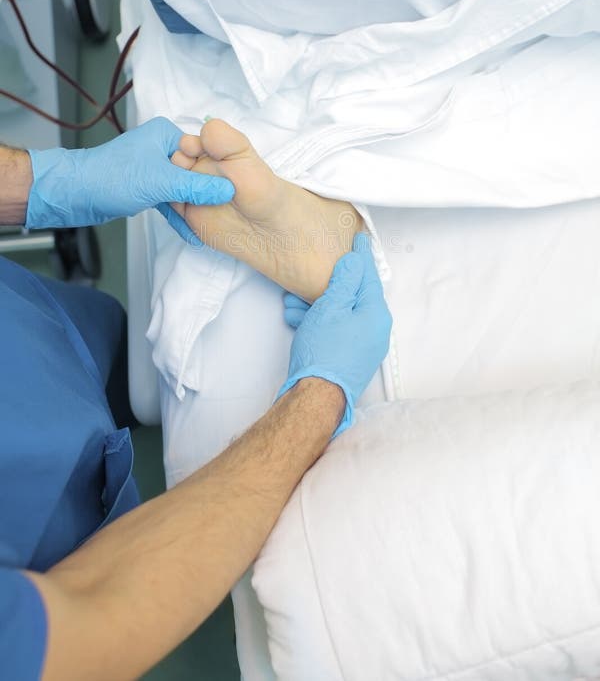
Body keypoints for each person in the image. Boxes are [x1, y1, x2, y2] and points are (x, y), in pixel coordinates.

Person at [0, 116, 391, 680]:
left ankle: (304, 243)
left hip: (30, 339)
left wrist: (41, 183)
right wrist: (318, 397)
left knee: (103, 363)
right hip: (44, 532)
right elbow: (86, 622)